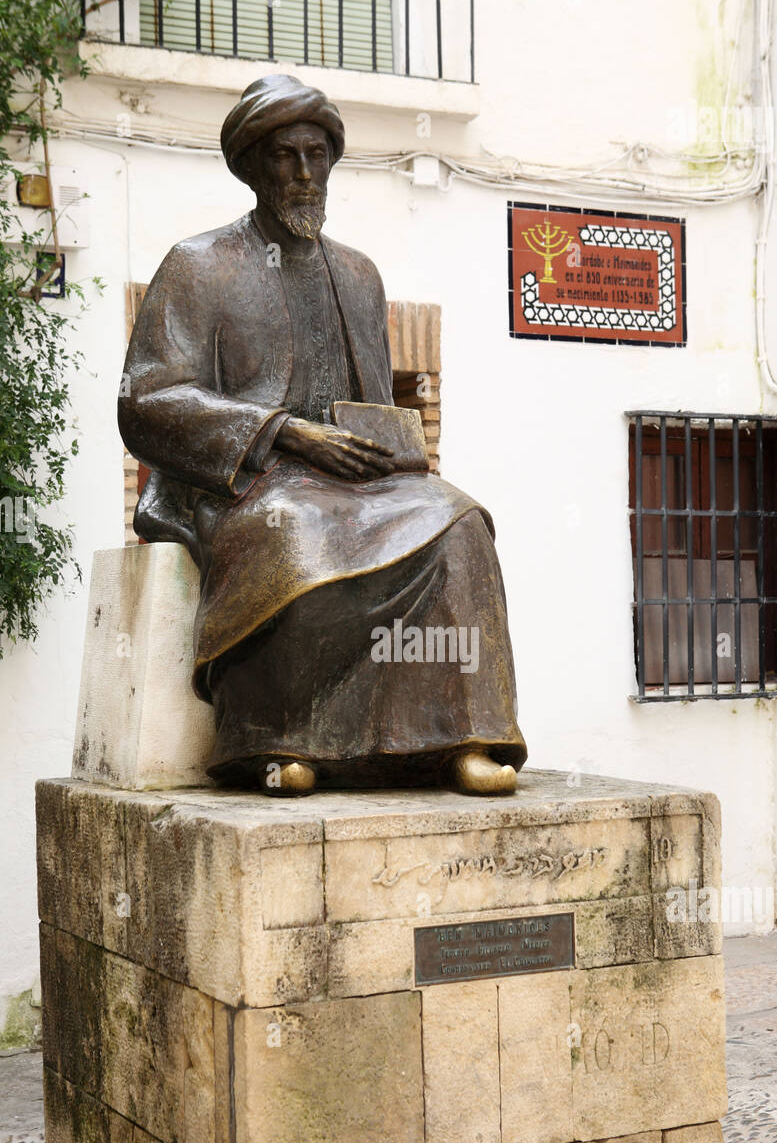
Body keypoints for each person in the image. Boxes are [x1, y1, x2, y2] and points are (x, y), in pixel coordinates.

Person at [118, 75, 526, 796]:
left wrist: (391, 449)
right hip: (249, 478)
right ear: (252, 165)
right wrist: (282, 433)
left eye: (317, 154)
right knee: (293, 531)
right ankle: (278, 740)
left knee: (458, 522)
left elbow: (373, 399)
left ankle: (459, 736)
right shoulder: (197, 265)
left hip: (353, 480)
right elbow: (148, 400)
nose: (305, 173)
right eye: (285, 156)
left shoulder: (358, 274)